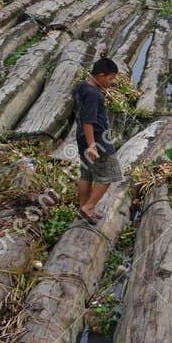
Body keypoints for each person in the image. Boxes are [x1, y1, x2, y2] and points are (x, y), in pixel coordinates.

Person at [74, 57, 122, 224]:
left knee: (86, 174)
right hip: (97, 140)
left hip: (82, 138)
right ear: (101, 75)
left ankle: (84, 207)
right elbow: (89, 120)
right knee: (108, 176)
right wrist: (92, 145)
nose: (112, 82)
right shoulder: (94, 94)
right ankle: (89, 207)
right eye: (110, 78)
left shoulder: (83, 85)